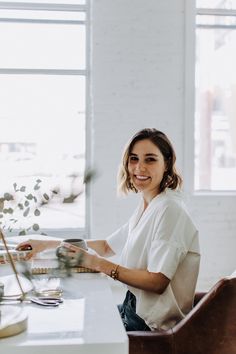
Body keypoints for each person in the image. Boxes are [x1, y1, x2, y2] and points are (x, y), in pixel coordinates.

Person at [17, 128, 200, 332]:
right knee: (75, 316)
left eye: (150, 159)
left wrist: (96, 263)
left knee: (77, 327)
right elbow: (106, 246)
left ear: (166, 164)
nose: (139, 167)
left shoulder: (169, 209)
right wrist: (46, 244)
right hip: (133, 307)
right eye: (133, 158)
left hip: (150, 323)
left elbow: (157, 282)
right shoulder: (150, 204)